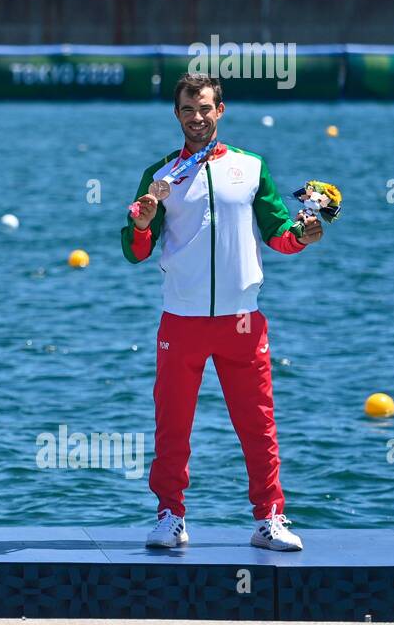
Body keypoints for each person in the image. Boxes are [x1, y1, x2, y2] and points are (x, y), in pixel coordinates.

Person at [122, 73, 322, 551]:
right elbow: (135, 251)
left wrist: (302, 237)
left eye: (205, 108)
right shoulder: (160, 175)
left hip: (242, 321)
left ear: (220, 111)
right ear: (176, 114)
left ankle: (269, 519)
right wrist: (143, 224)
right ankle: (170, 515)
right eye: (188, 109)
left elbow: (278, 233)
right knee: (173, 425)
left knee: (259, 423)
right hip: (182, 320)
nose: (197, 117)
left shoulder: (251, 167)